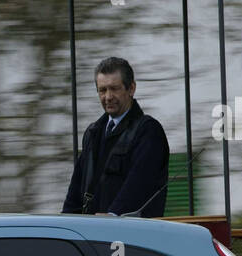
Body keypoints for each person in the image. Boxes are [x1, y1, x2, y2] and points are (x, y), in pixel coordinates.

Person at [62, 57, 170, 217]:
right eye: (102, 90)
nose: (108, 96)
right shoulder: (93, 133)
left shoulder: (148, 132)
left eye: (114, 89)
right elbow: (76, 190)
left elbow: (139, 184)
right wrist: (66, 222)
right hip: (91, 234)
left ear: (131, 88)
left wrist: (113, 216)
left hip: (131, 235)